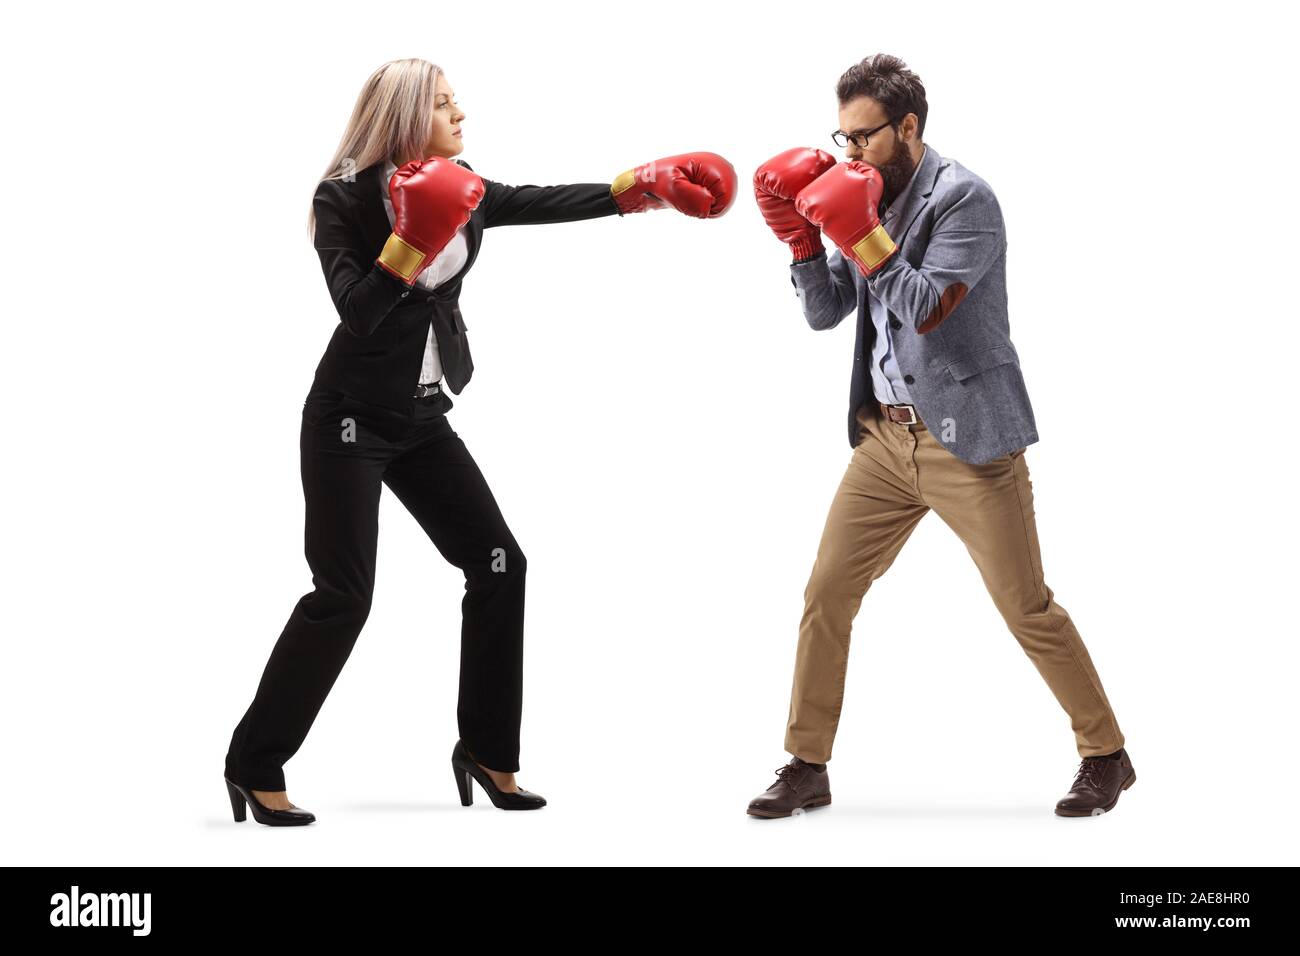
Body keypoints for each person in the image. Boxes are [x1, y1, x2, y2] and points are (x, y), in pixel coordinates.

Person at [223, 57, 736, 826]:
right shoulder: (342, 197)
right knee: (343, 596)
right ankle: (253, 762)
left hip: (422, 418)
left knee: (499, 564)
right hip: (349, 419)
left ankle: (489, 751)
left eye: (455, 100)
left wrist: (639, 188)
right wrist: (409, 241)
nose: (459, 113)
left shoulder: (461, 185)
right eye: (442, 103)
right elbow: (357, 311)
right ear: (404, 117)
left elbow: (539, 200)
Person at [747, 54, 1134, 819]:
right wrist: (801, 241)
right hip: (885, 443)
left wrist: (858, 230)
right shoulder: (858, 191)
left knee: (1026, 606)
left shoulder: (965, 200)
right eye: (842, 136)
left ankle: (1107, 755)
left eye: (865, 136)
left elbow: (928, 307)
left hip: (968, 437)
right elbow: (826, 314)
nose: (851, 152)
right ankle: (807, 764)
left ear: (909, 127)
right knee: (827, 592)